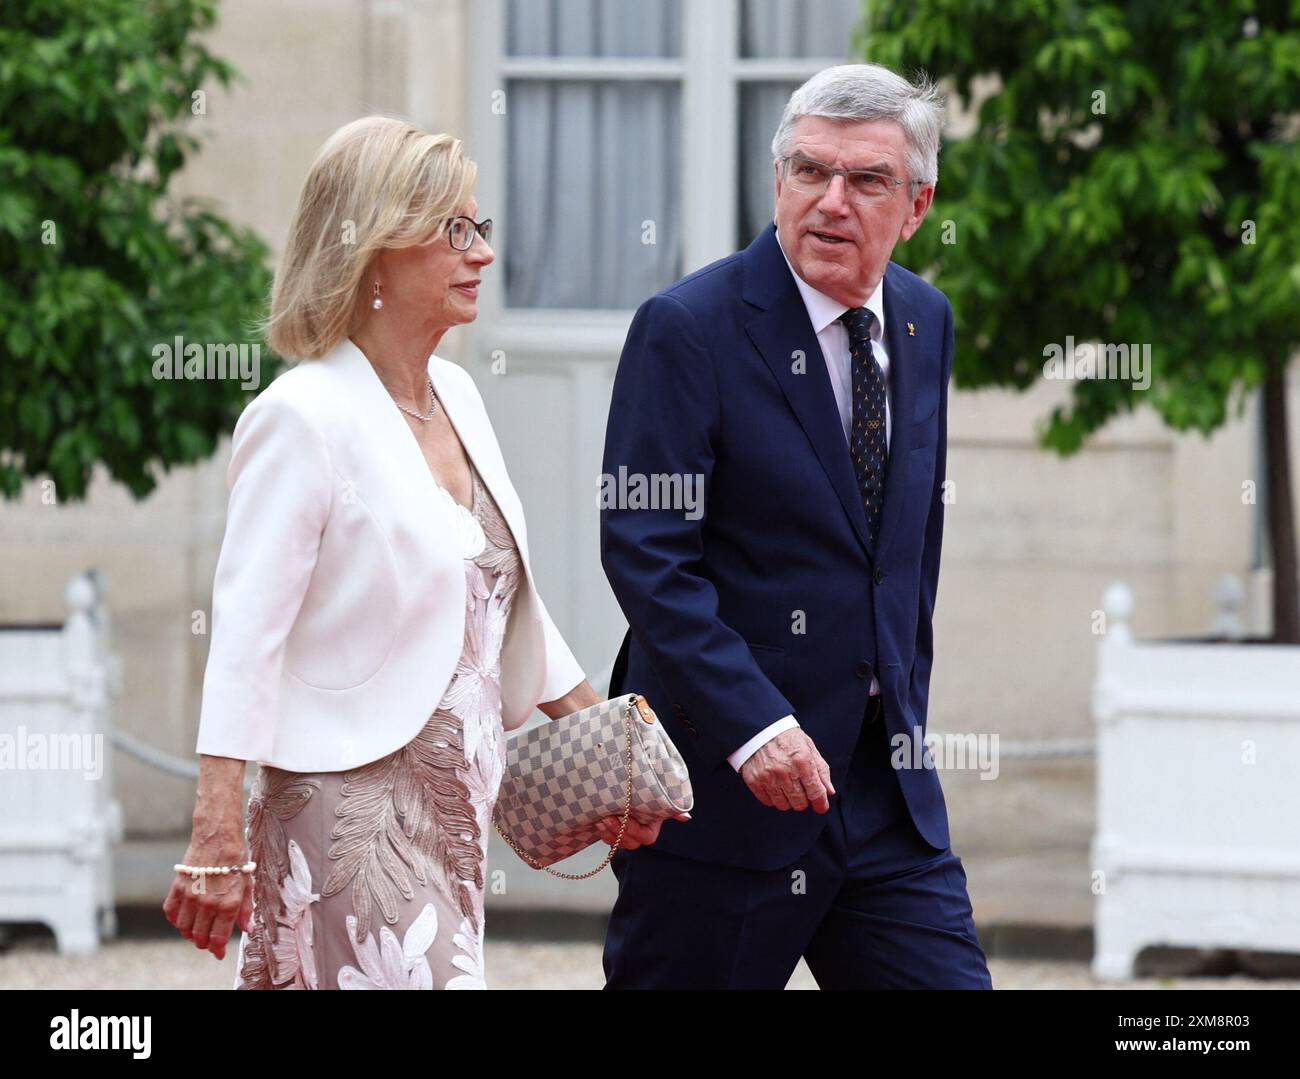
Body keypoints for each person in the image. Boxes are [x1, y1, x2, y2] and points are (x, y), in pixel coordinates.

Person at [162, 116, 676, 990]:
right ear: (374, 250)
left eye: (481, 227)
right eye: (455, 230)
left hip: (457, 808)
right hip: (347, 810)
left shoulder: (461, 397)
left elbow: (505, 603)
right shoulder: (302, 416)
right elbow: (244, 638)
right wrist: (215, 835)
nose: (480, 252)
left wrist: (610, 743)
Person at [599, 64, 993, 988]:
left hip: (885, 799)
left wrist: (902, 710)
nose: (831, 201)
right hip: (726, 796)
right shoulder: (688, 327)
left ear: (918, 203)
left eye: (866, 181)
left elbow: (904, 556)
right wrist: (755, 726)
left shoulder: (924, 321)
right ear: (777, 180)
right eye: (809, 172)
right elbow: (649, 556)